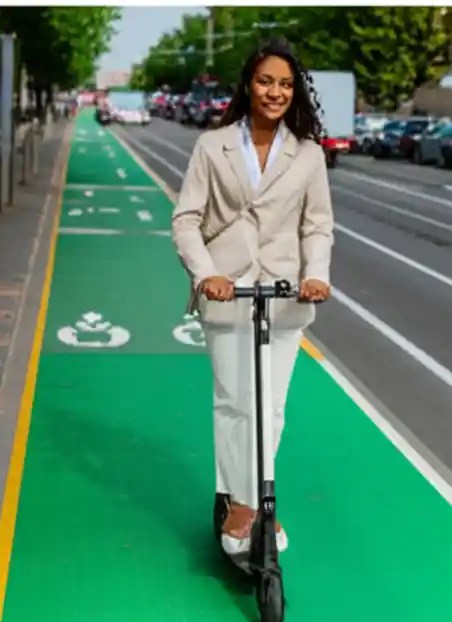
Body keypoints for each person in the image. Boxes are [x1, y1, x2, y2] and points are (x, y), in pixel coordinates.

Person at [170, 38, 334, 557]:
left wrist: (316, 275)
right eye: (266, 81)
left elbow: (317, 226)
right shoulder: (212, 145)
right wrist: (206, 275)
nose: (275, 92)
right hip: (228, 292)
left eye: (285, 84)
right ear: (248, 85)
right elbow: (186, 220)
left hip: (284, 296)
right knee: (235, 402)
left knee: (272, 408)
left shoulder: (308, 154)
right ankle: (242, 503)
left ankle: (258, 499)